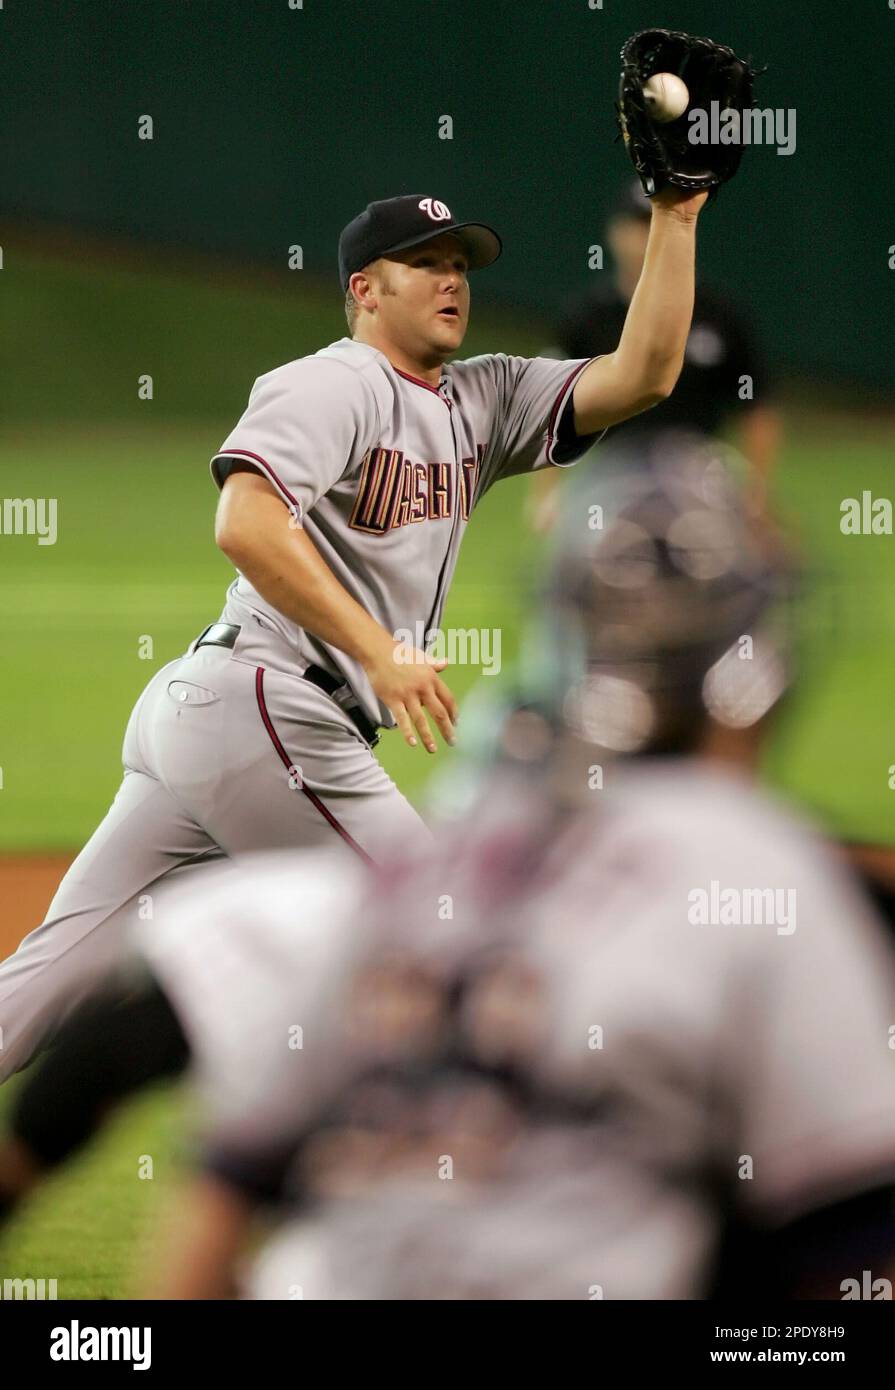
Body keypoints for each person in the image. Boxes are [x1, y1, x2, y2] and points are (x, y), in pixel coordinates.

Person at [14, 445, 879, 1302]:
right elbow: (850, 1242)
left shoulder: (432, 863)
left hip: (203, 701)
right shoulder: (763, 870)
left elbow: (172, 1091)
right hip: (263, 705)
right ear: (755, 666)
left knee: (65, 953)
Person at [0, 185, 710, 1084]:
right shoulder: (332, 381)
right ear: (365, 289)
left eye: (460, 265)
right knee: (441, 933)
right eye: (425, 263)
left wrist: (675, 218)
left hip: (221, 717)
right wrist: (379, 650)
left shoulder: (482, 398)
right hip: (264, 705)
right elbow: (247, 525)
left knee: (49, 982)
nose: (451, 281)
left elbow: (644, 374)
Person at [529, 179, 781, 533]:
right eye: (635, 224)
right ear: (614, 233)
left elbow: (757, 407)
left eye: (653, 223)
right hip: (615, 474)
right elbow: (552, 406)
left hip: (699, 468)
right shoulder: (588, 317)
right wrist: (545, 496)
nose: (643, 237)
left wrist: (755, 490)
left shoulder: (719, 313)